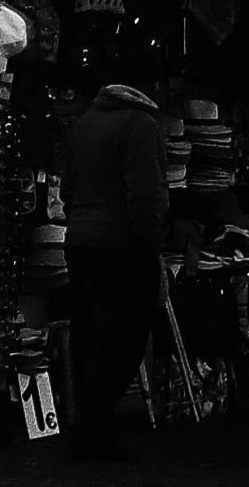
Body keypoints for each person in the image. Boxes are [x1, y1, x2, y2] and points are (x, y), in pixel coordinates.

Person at [54, 73, 171, 462]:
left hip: (81, 240)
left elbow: (67, 189)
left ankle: (88, 425)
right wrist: (151, 245)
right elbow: (146, 193)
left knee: (89, 333)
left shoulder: (87, 121)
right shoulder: (140, 125)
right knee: (122, 337)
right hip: (121, 243)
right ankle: (92, 423)